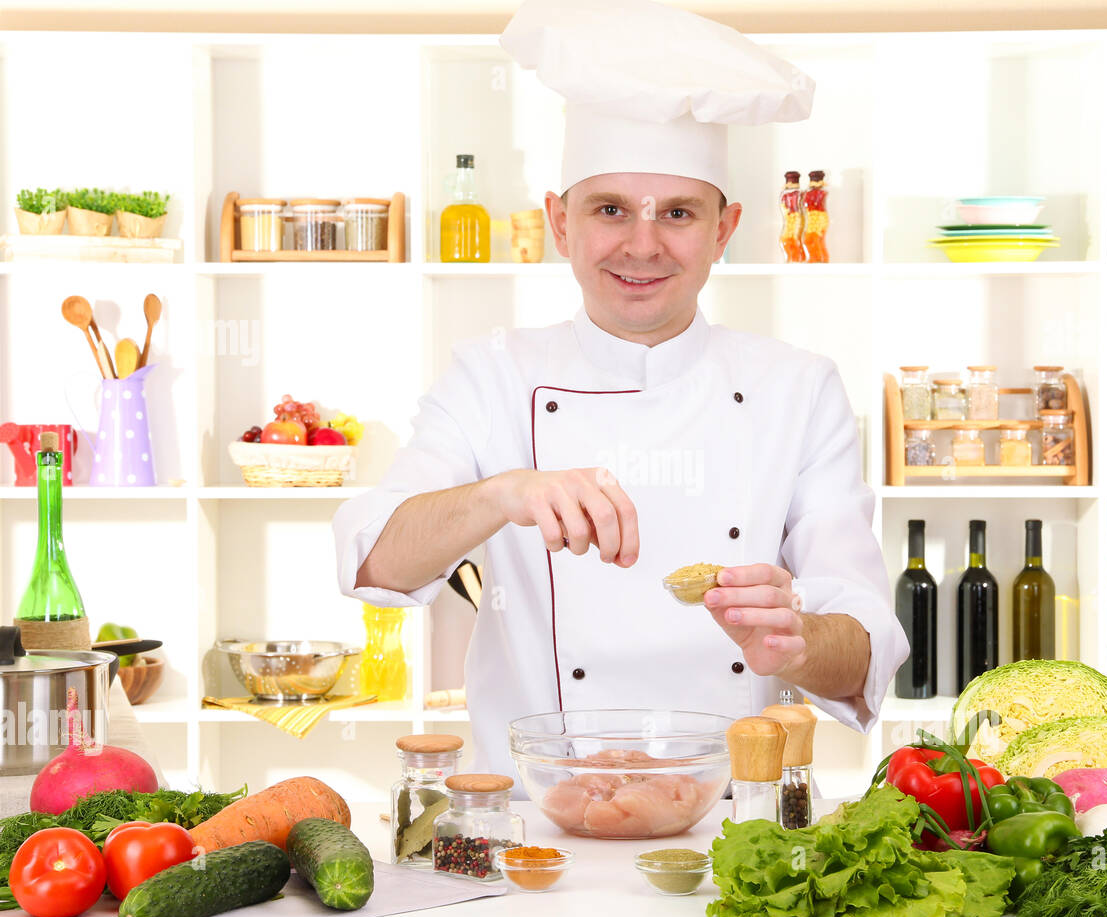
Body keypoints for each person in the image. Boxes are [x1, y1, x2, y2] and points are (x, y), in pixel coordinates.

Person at [333, 0, 907, 782]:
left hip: (733, 828)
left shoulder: (798, 390)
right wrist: (504, 495)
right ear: (561, 224)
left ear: (725, 230)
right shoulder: (493, 375)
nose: (643, 244)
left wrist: (799, 638)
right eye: (610, 210)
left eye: (678, 213)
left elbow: (865, 649)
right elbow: (375, 564)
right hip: (531, 827)